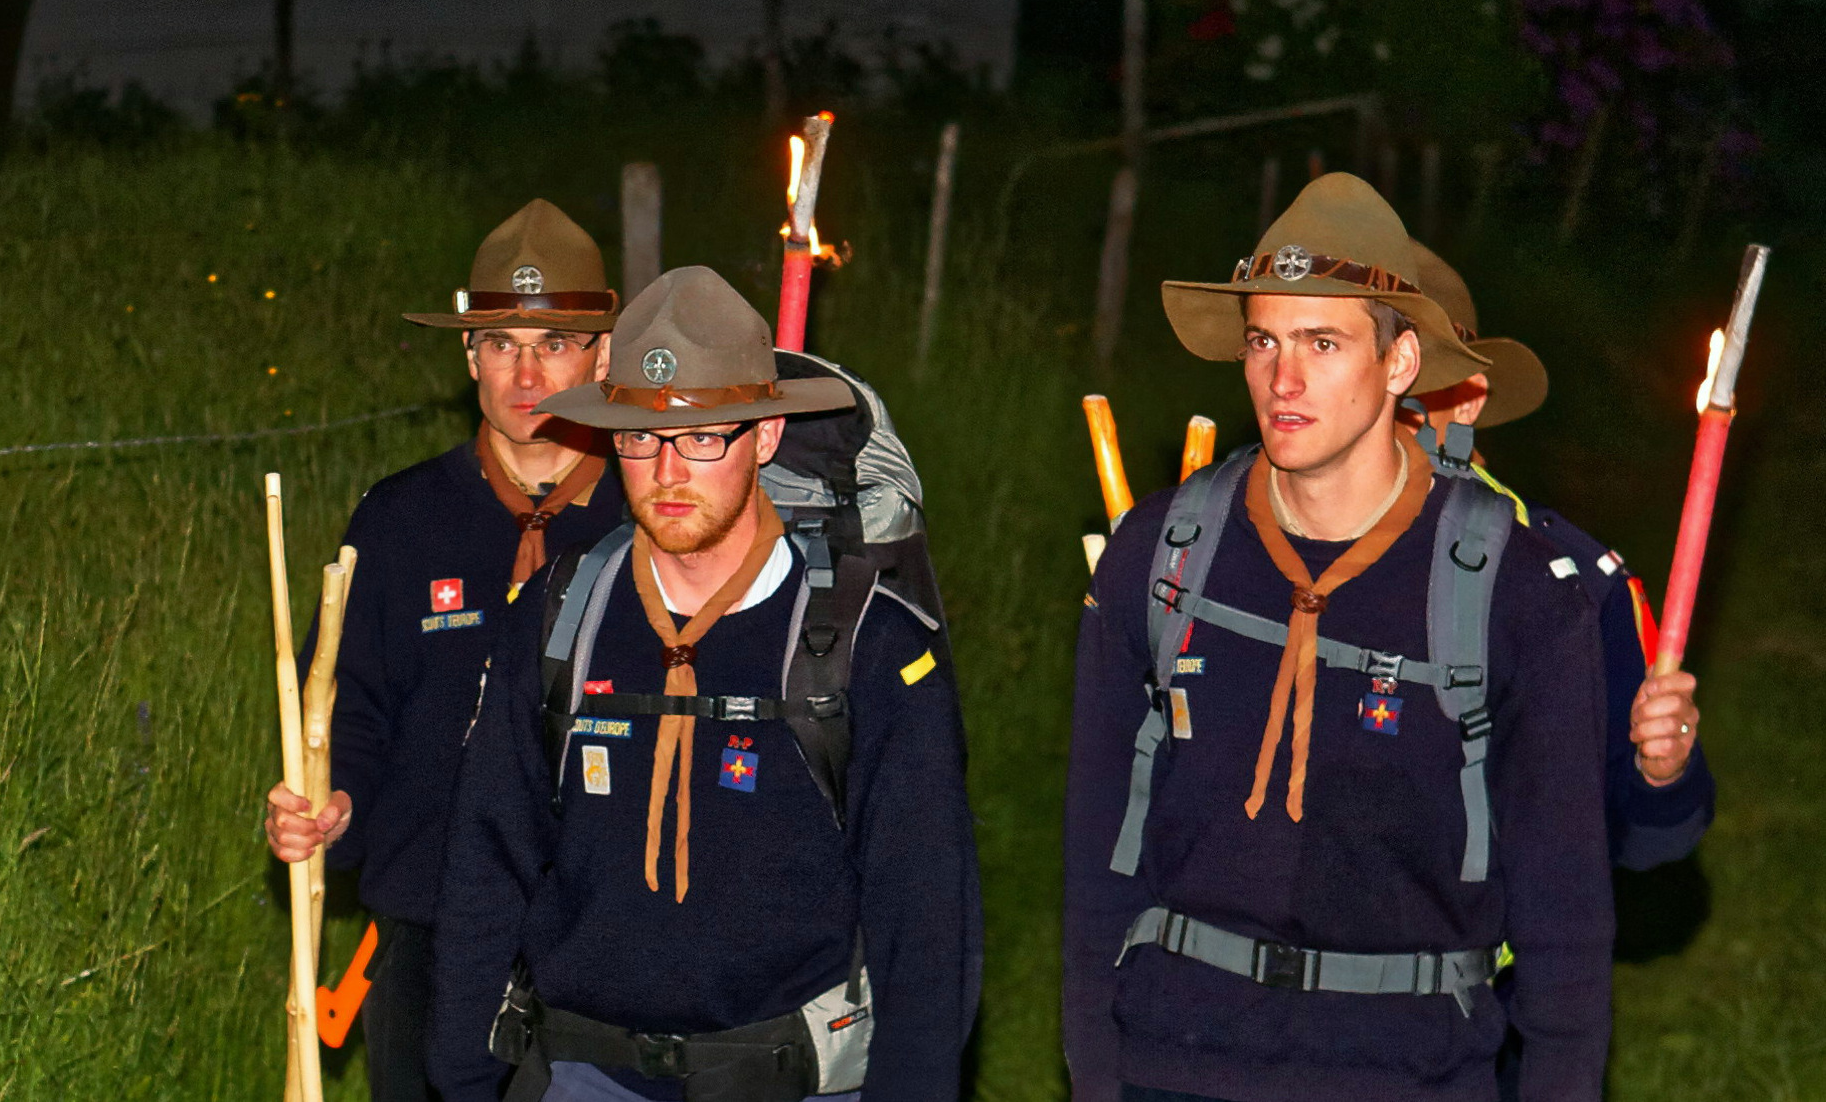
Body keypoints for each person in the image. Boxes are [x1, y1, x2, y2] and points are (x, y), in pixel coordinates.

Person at [1064, 173, 1614, 1102]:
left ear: (1400, 363)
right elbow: (1094, 863)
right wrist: (1095, 1075)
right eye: (1264, 341)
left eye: (1322, 343)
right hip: (1176, 1060)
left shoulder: (1516, 593)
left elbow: (1564, 920)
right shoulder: (1159, 555)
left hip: (1410, 1073)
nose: (1282, 379)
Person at [430, 266, 980, 1102]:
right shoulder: (560, 613)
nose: (666, 471)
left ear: (764, 436)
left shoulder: (866, 641)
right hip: (585, 1075)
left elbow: (925, 913)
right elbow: (487, 859)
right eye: (639, 437)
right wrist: (464, 1077)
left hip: (788, 1079)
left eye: (702, 437)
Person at [263, 198, 626, 1102]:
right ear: (469, 356)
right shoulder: (400, 521)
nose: (527, 373)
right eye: (501, 344)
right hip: (426, 930)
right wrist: (331, 805)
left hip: (601, 937)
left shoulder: (647, 519)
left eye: (554, 343)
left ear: (603, 354)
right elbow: (350, 710)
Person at [1404, 241, 1713, 870]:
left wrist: (1662, 770)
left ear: (1467, 399)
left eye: (1408, 384)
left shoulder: (1572, 585)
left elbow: (1645, 836)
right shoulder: (1239, 534)